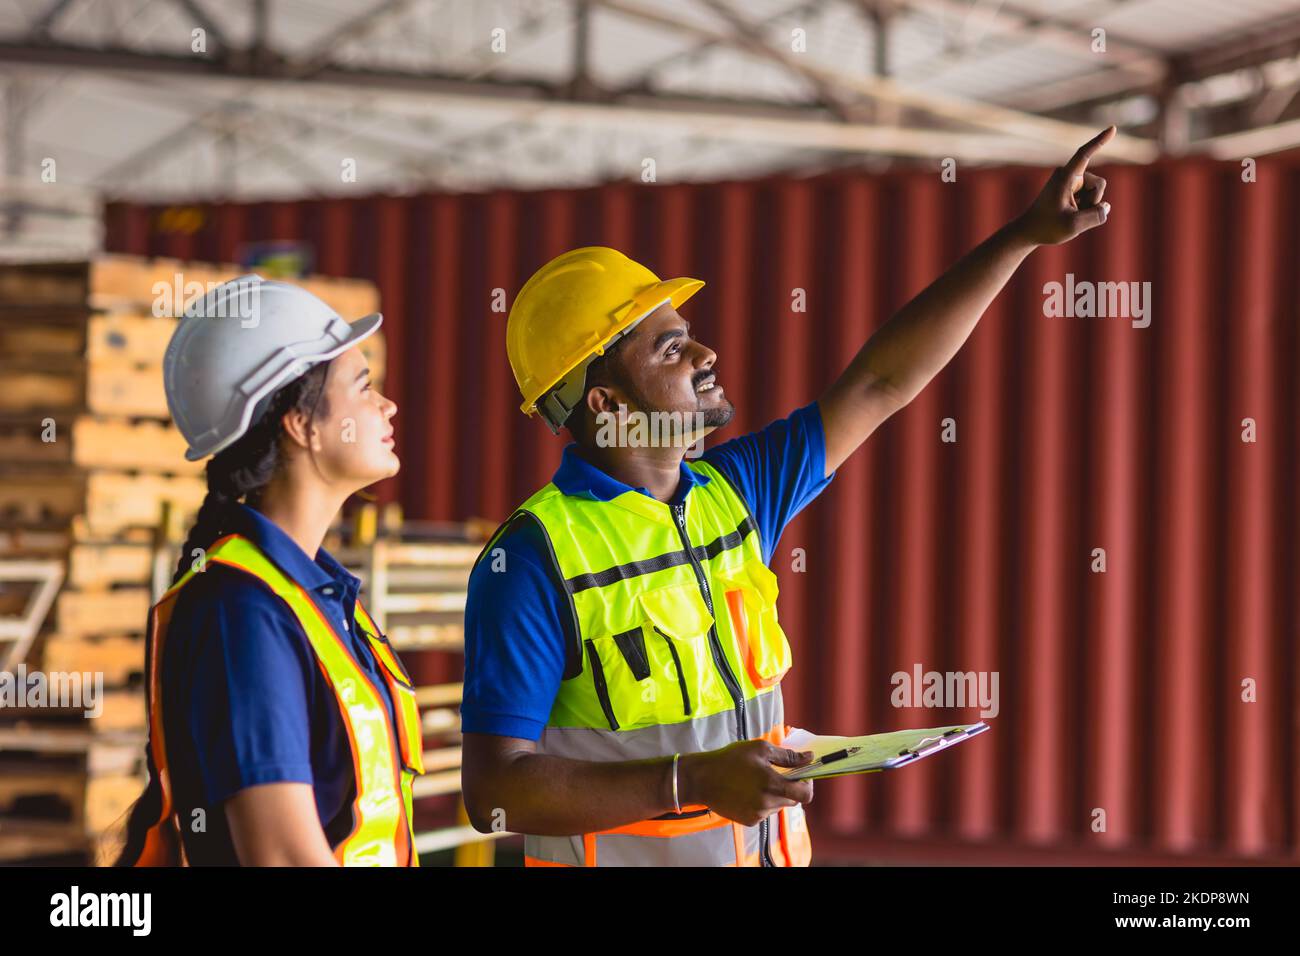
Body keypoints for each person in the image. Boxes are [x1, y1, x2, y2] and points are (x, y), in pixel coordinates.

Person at [460, 128, 1117, 866]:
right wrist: (689, 780)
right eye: (670, 349)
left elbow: (879, 385)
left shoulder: (733, 492)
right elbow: (494, 790)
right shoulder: (533, 560)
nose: (706, 357)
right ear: (606, 403)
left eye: (691, 336)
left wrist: (1022, 237)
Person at [114, 275, 423, 866]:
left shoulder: (314, 596)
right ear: (299, 423)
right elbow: (281, 856)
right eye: (362, 387)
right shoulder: (242, 611)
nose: (387, 406)